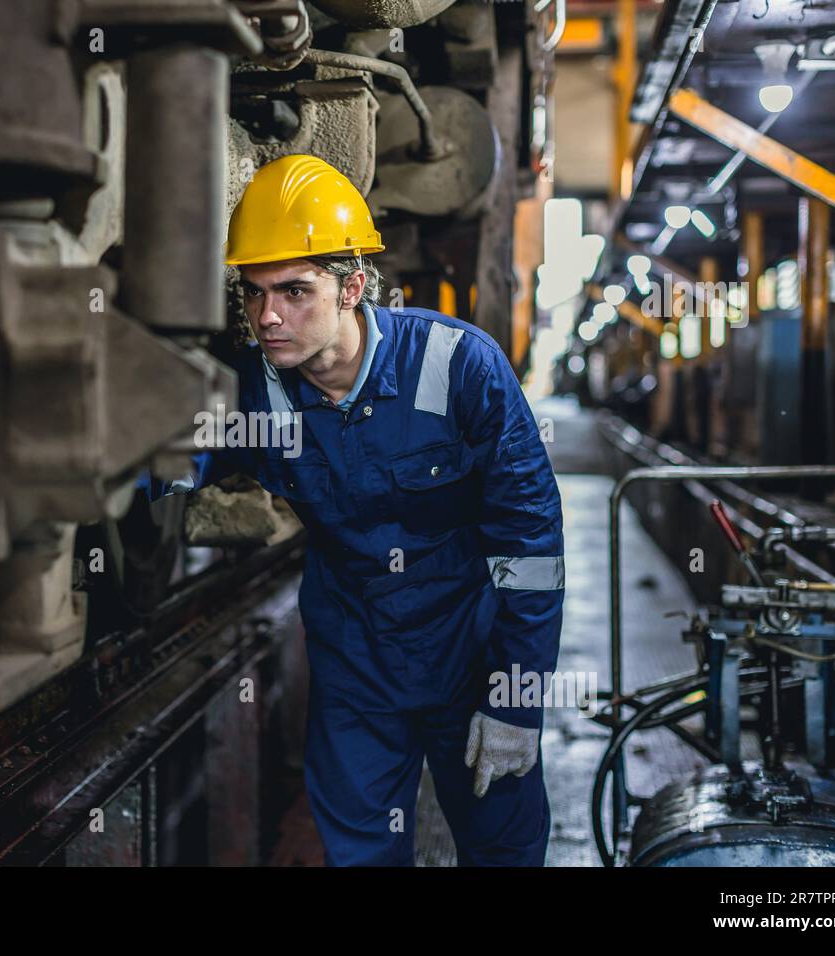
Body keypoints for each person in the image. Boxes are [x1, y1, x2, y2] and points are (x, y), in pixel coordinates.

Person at [145, 153, 564, 866]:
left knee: (503, 849)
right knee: (364, 854)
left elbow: (529, 546)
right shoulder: (256, 391)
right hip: (356, 663)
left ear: (353, 288)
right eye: (253, 293)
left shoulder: (460, 366)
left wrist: (516, 700)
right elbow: (171, 466)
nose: (268, 315)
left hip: (472, 653)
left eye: (294, 290)